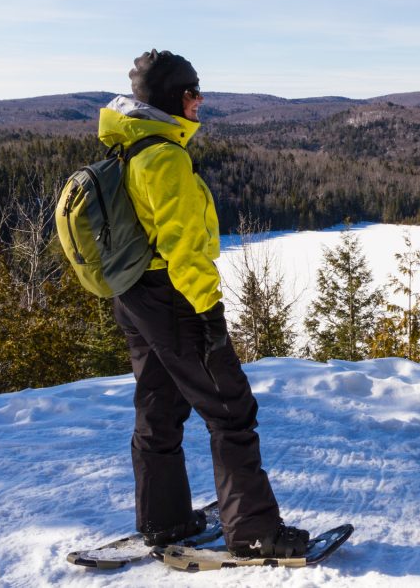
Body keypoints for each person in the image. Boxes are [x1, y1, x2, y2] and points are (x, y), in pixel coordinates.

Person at [99, 49, 308, 558]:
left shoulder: (130, 144)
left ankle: (163, 521)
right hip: (173, 297)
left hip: (135, 295)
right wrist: (210, 314)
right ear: (173, 98)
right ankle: (254, 534)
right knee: (231, 409)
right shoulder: (165, 156)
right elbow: (184, 247)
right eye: (193, 92)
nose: (200, 100)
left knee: (159, 407)